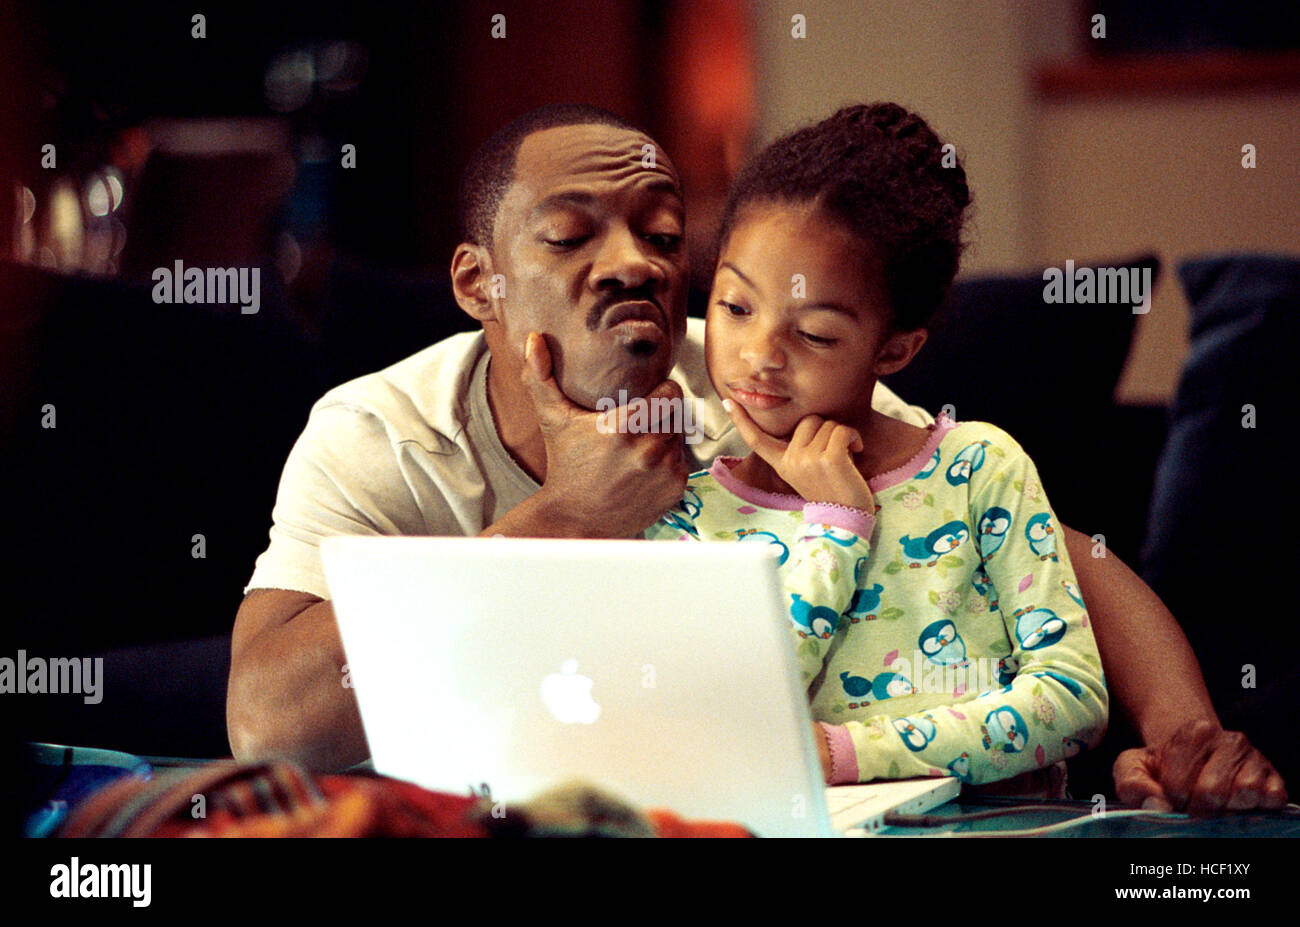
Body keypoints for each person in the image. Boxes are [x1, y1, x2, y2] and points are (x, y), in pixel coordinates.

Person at [227, 103, 1286, 813]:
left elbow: (1025, 541)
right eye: (569, 234)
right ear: (476, 282)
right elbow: (266, 724)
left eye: (658, 231)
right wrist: (565, 517)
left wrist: (1186, 735)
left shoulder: (744, 378)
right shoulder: (382, 431)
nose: (633, 261)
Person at [644, 102, 1105, 792]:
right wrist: (835, 531)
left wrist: (844, 755)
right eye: (736, 308)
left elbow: (1071, 700)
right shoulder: (687, 511)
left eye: (817, 334)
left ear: (895, 348)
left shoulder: (979, 468)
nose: (761, 355)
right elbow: (731, 722)